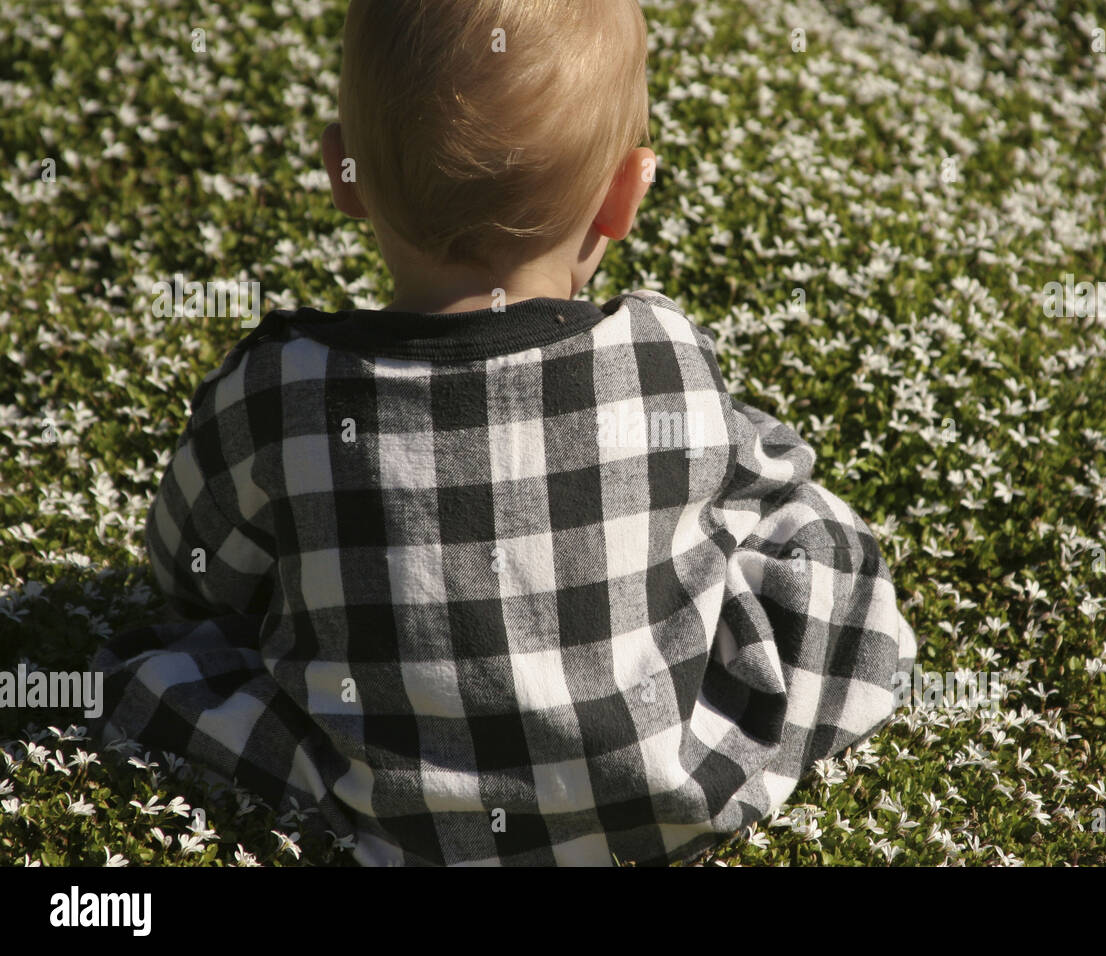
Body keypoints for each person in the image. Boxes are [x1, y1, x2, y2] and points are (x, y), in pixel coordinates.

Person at [91, 0, 917, 866]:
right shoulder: (662, 355)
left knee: (179, 668)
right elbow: (753, 482)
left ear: (343, 172)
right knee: (810, 536)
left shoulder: (279, 390)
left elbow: (187, 570)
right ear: (625, 195)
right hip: (668, 793)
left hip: (399, 818)